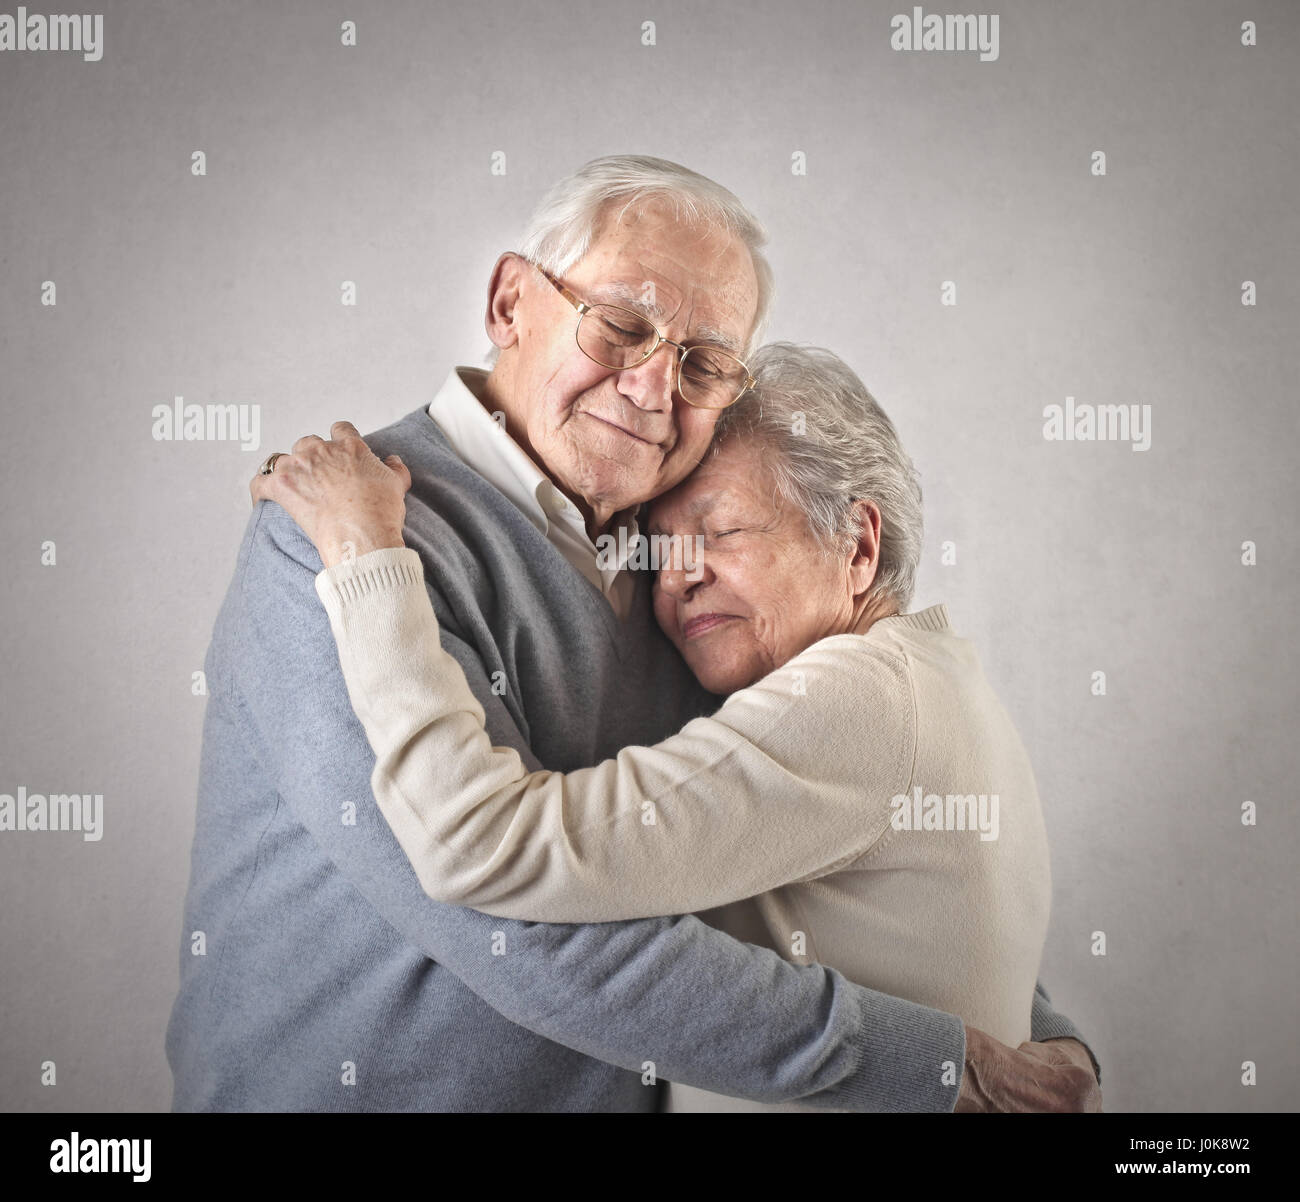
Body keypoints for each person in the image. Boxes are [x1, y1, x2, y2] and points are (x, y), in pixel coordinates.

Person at [169, 154, 1100, 1111]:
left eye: (704, 364)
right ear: (509, 306)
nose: (655, 389)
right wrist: (938, 1062)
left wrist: (1025, 1022)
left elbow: (798, 836)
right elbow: (516, 924)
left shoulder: (677, 572)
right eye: (620, 325)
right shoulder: (342, 542)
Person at [252, 342, 1063, 1112]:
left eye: (724, 533)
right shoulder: (932, 679)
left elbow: (486, 839)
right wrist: (1048, 1042)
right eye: (661, 550)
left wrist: (366, 560)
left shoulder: (862, 695)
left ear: (857, 543)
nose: (678, 578)